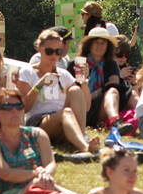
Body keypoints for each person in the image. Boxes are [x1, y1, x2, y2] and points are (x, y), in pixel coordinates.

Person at [0, 87, 81, 194]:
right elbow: (6, 173)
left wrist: (45, 175)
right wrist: (36, 175)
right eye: (7, 107)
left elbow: (50, 163)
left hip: (43, 186)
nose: (14, 111)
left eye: (19, 106)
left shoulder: (37, 134)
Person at [16, 28, 98, 156]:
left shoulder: (63, 74)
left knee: (75, 90)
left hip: (61, 119)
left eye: (58, 51)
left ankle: (81, 138)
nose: (54, 55)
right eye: (49, 51)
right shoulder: (27, 72)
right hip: (37, 122)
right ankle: (85, 147)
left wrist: (83, 81)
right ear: (39, 49)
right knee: (67, 112)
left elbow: (86, 106)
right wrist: (39, 84)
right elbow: (23, 108)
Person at [75, 27, 125, 130]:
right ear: (89, 45)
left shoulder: (111, 64)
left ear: (108, 46)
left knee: (113, 91)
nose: (100, 46)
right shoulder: (79, 63)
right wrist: (101, 90)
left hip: (102, 108)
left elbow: (114, 86)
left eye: (103, 43)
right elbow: (78, 96)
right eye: (96, 42)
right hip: (82, 111)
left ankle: (116, 121)